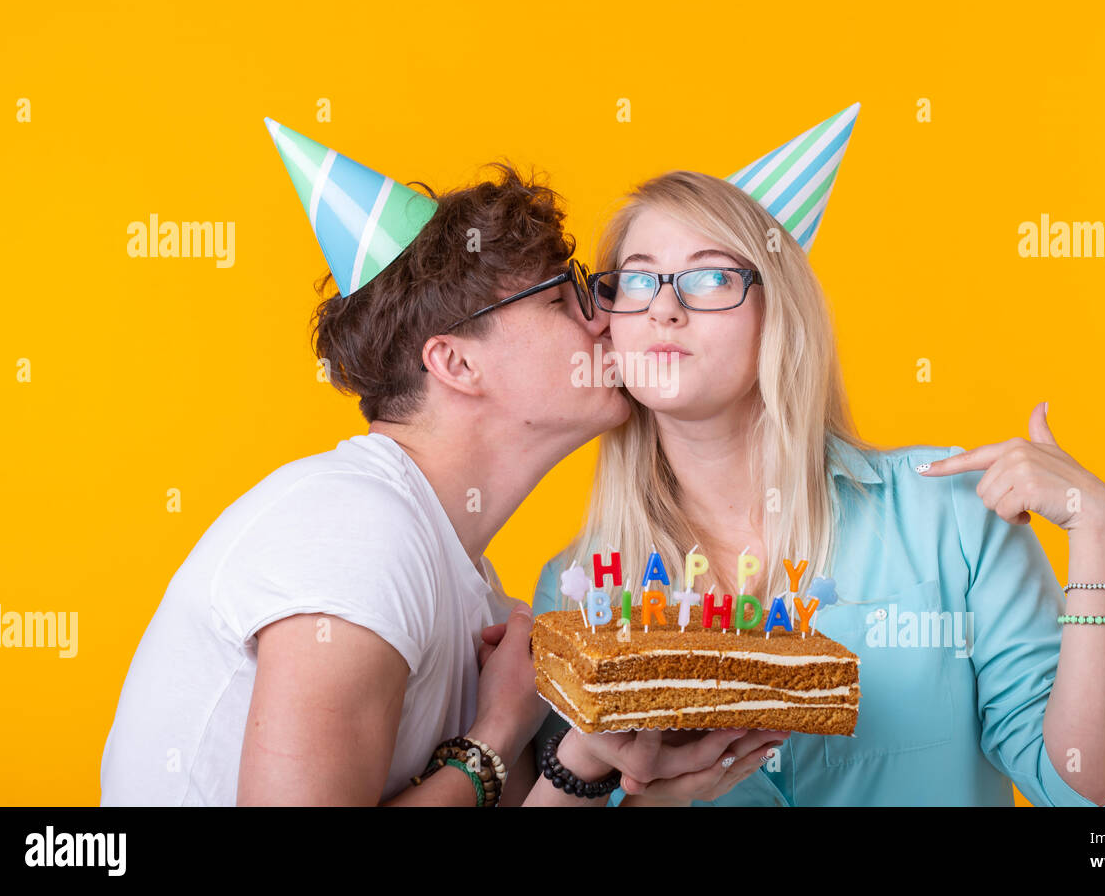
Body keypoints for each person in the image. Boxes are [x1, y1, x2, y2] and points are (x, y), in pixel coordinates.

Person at [100, 120, 781, 806]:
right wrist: (494, 735)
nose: (606, 317)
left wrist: (607, 768)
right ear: (456, 362)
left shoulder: (475, 592)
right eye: (557, 300)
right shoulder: (353, 529)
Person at [534, 105, 1105, 806]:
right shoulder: (582, 589)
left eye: (710, 278)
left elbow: (1083, 785)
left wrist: (1101, 532)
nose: (664, 309)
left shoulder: (951, 515)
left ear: (781, 317)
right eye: (637, 280)